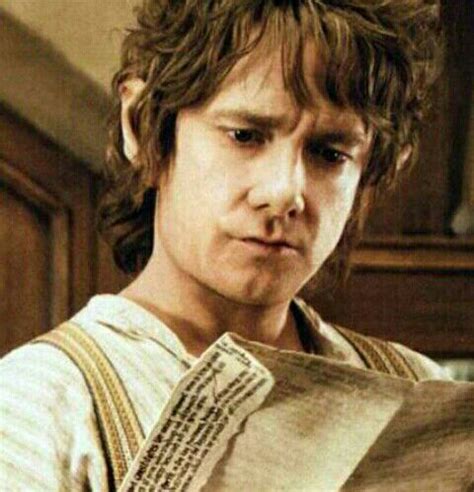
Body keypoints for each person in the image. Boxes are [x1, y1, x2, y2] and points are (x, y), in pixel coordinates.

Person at [0, 0, 448, 490]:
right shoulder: (40, 409)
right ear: (142, 126)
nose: (285, 192)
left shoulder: (421, 399)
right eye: (245, 135)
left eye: (329, 153)